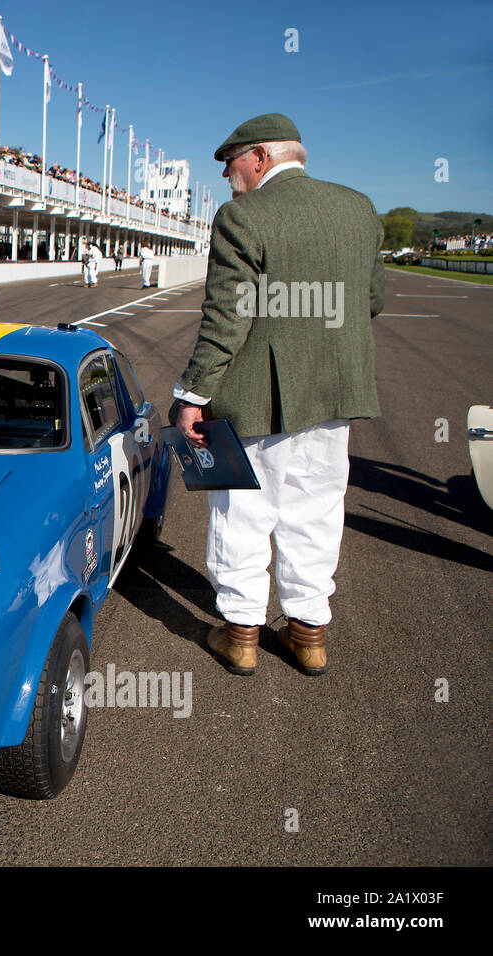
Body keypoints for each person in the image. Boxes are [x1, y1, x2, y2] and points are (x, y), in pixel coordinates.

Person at [172, 113, 384, 677]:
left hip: (255, 397)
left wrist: (192, 394)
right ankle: (308, 632)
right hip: (334, 392)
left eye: (231, 161)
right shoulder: (359, 209)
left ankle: (241, 633)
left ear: (260, 157)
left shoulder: (242, 216)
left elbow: (225, 319)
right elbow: (372, 301)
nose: (226, 174)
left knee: (242, 511)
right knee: (315, 511)